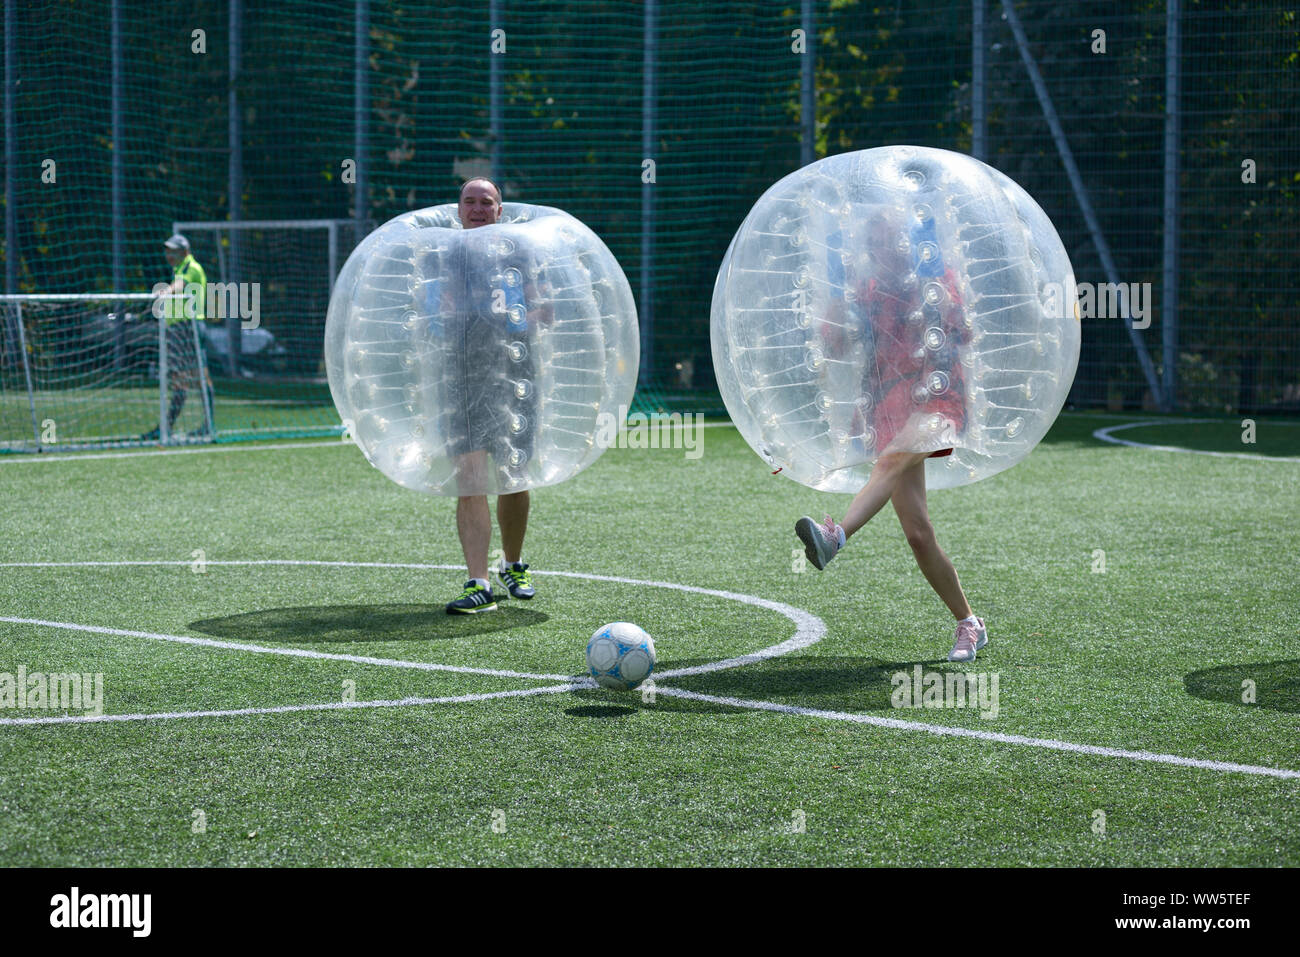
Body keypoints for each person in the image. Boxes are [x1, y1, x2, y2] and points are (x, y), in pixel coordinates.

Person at [795, 209, 986, 662]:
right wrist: (835, 311)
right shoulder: (866, 291)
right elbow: (837, 346)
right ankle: (969, 623)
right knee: (918, 533)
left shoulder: (935, 282)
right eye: (874, 243)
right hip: (890, 407)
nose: (882, 250)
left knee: (889, 463)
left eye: (889, 241)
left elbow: (966, 333)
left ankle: (835, 535)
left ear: (905, 244)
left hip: (937, 399)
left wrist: (944, 307)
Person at [442, 178, 540, 614]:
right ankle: (477, 580)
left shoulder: (519, 254)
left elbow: (544, 311)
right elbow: (433, 313)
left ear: (500, 210)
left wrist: (515, 322)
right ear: (458, 209)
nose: (478, 208)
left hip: (513, 374)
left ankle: (513, 563)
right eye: (470, 201)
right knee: (470, 474)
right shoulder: (444, 254)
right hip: (461, 376)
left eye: (487, 202)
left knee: (514, 476)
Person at [143, 233, 210, 442]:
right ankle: (167, 427)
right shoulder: (179, 269)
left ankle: (207, 426)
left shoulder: (190, 267)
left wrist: (165, 292)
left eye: (174, 251)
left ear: (185, 252)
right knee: (181, 380)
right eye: (167, 250)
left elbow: (180, 285)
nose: (169, 254)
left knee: (196, 379)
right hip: (180, 329)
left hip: (187, 329)